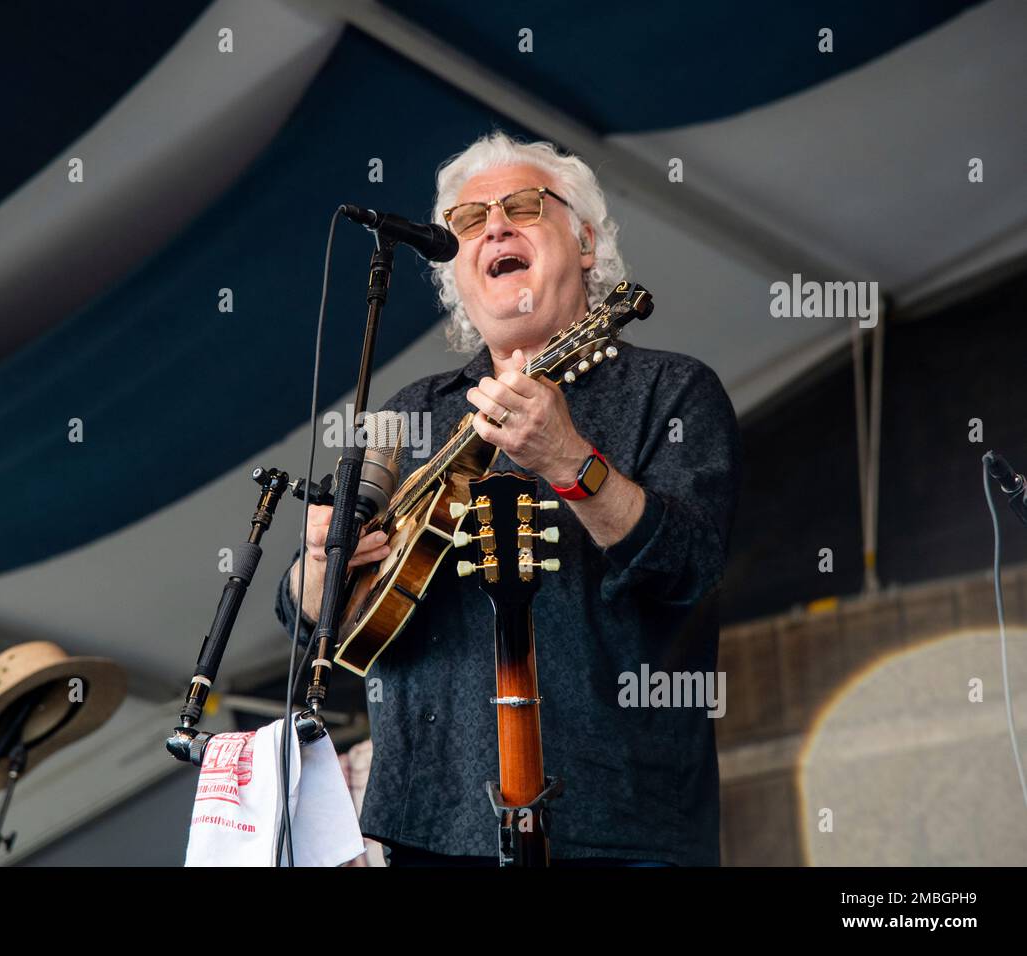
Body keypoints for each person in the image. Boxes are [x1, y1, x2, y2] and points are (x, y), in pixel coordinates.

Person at [276, 131, 742, 866]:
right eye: (468, 221)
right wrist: (321, 563)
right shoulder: (406, 413)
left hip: (619, 823)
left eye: (522, 207)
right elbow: (307, 622)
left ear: (586, 243)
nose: (494, 226)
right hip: (431, 824)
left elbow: (689, 566)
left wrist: (569, 460)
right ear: (454, 273)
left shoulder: (671, 391)